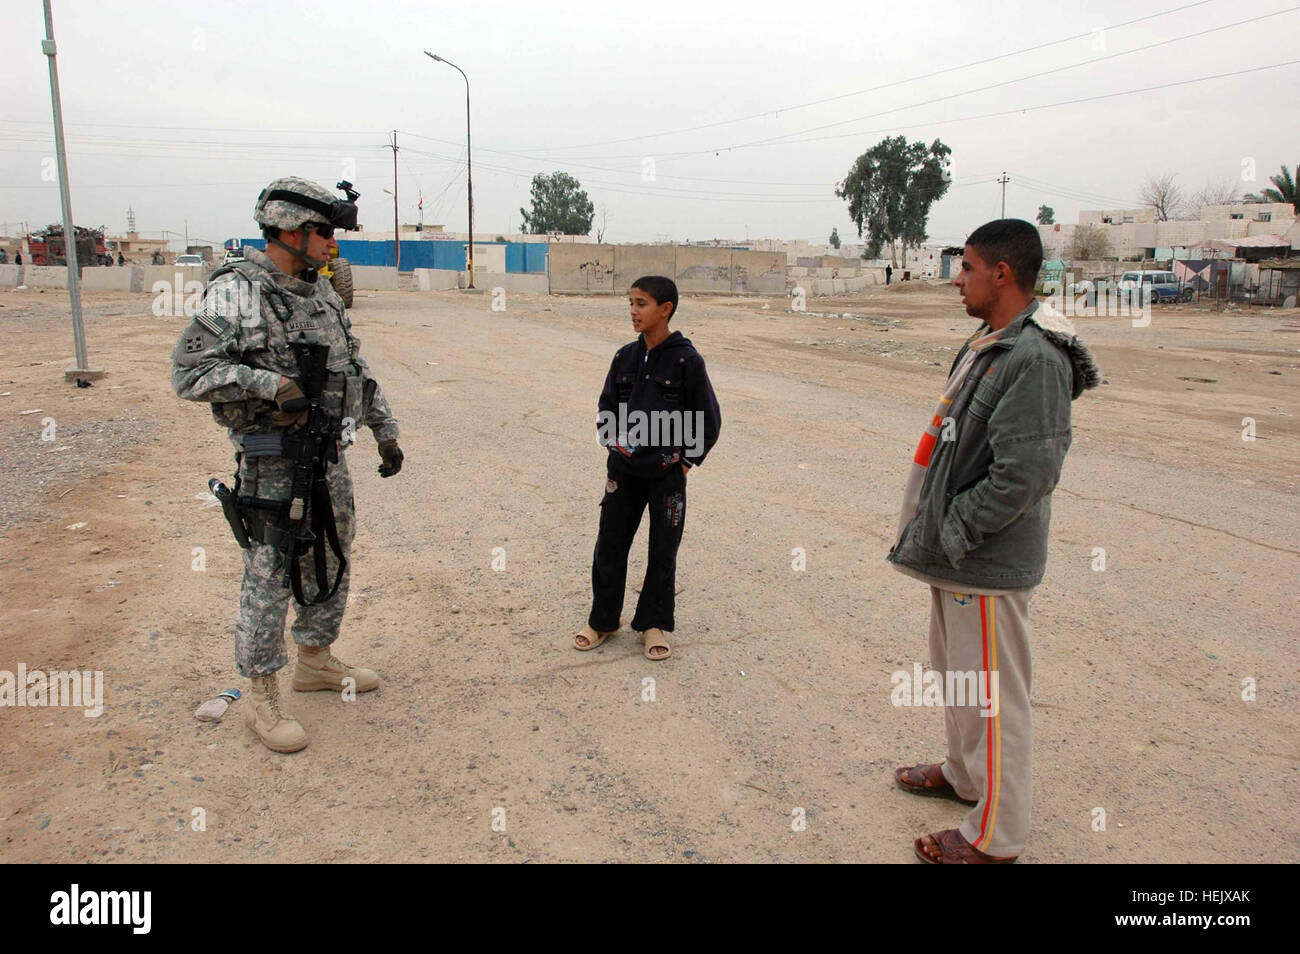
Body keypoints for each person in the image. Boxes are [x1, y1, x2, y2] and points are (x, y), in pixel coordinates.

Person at [887, 219, 1100, 864]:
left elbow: (1026, 476)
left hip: (982, 560)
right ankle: (963, 776)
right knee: (957, 680)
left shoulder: (1034, 358)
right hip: (955, 558)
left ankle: (996, 838)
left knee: (996, 701)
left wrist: (953, 529)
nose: (958, 279)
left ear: (1002, 273)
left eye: (968, 267)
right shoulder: (994, 339)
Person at [171, 176, 404, 754]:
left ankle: (315, 661)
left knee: (332, 555)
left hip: (329, 456)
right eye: (324, 232)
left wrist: (385, 430)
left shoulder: (320, 291)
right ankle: (261, 696)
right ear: (291, 230)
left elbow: (353, 367)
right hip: (273, 460)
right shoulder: (238, 292)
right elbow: (189, 373)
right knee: (270, 574)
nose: (332, 244)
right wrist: (268, 383)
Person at [575, 276, 721, 661]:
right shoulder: (623, 357)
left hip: (666, 477)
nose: (634, 311)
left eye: (641, 304)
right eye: (631, 303)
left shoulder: (687, 360)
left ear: (665, 309)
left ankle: (653, 623)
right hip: (623, 473)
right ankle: (603, 620)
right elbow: (606, 407)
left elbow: (708, 420)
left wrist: (686, 462)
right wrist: (614, 445)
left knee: (662, 550)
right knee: (610, 546)